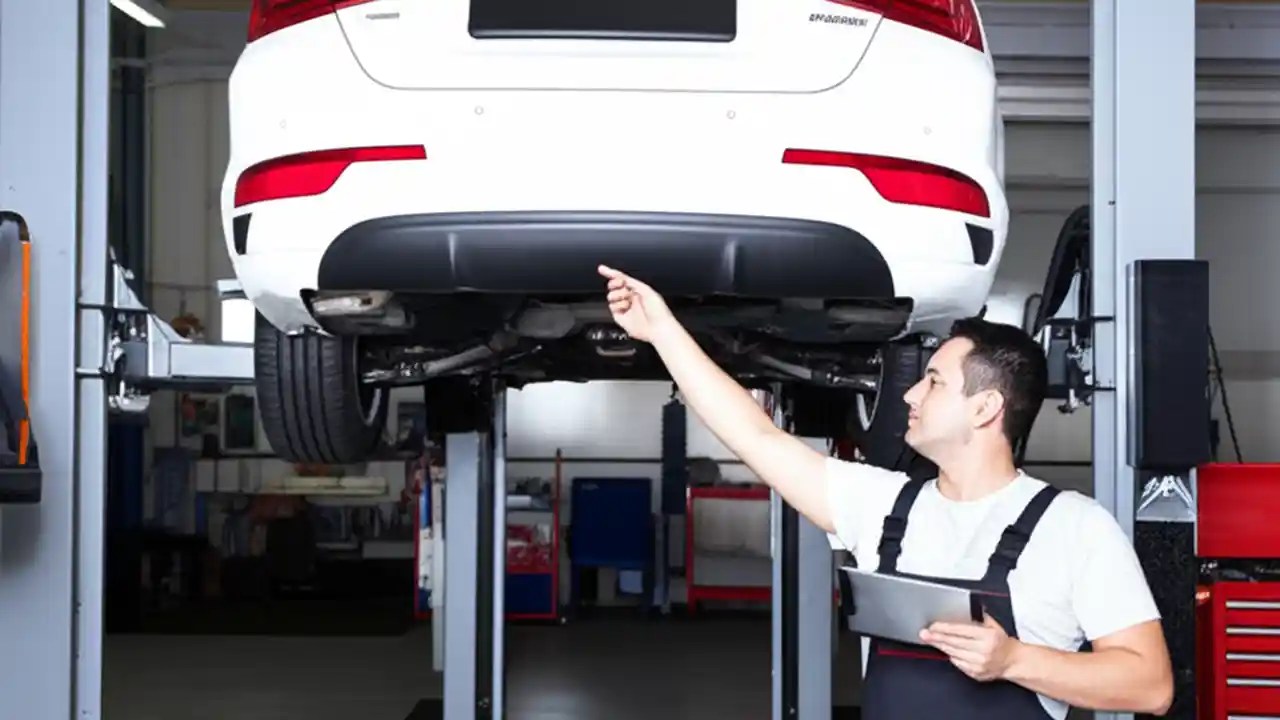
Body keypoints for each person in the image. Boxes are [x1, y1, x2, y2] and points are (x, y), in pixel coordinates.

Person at [597, 265, 1173, 719]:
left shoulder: (1074, 527)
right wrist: (662, 331)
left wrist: (1015, 660)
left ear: (986, 407)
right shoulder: (883, 507)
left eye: (935, 381)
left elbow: (1150, 685)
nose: (909, 395)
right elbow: (755, 435)